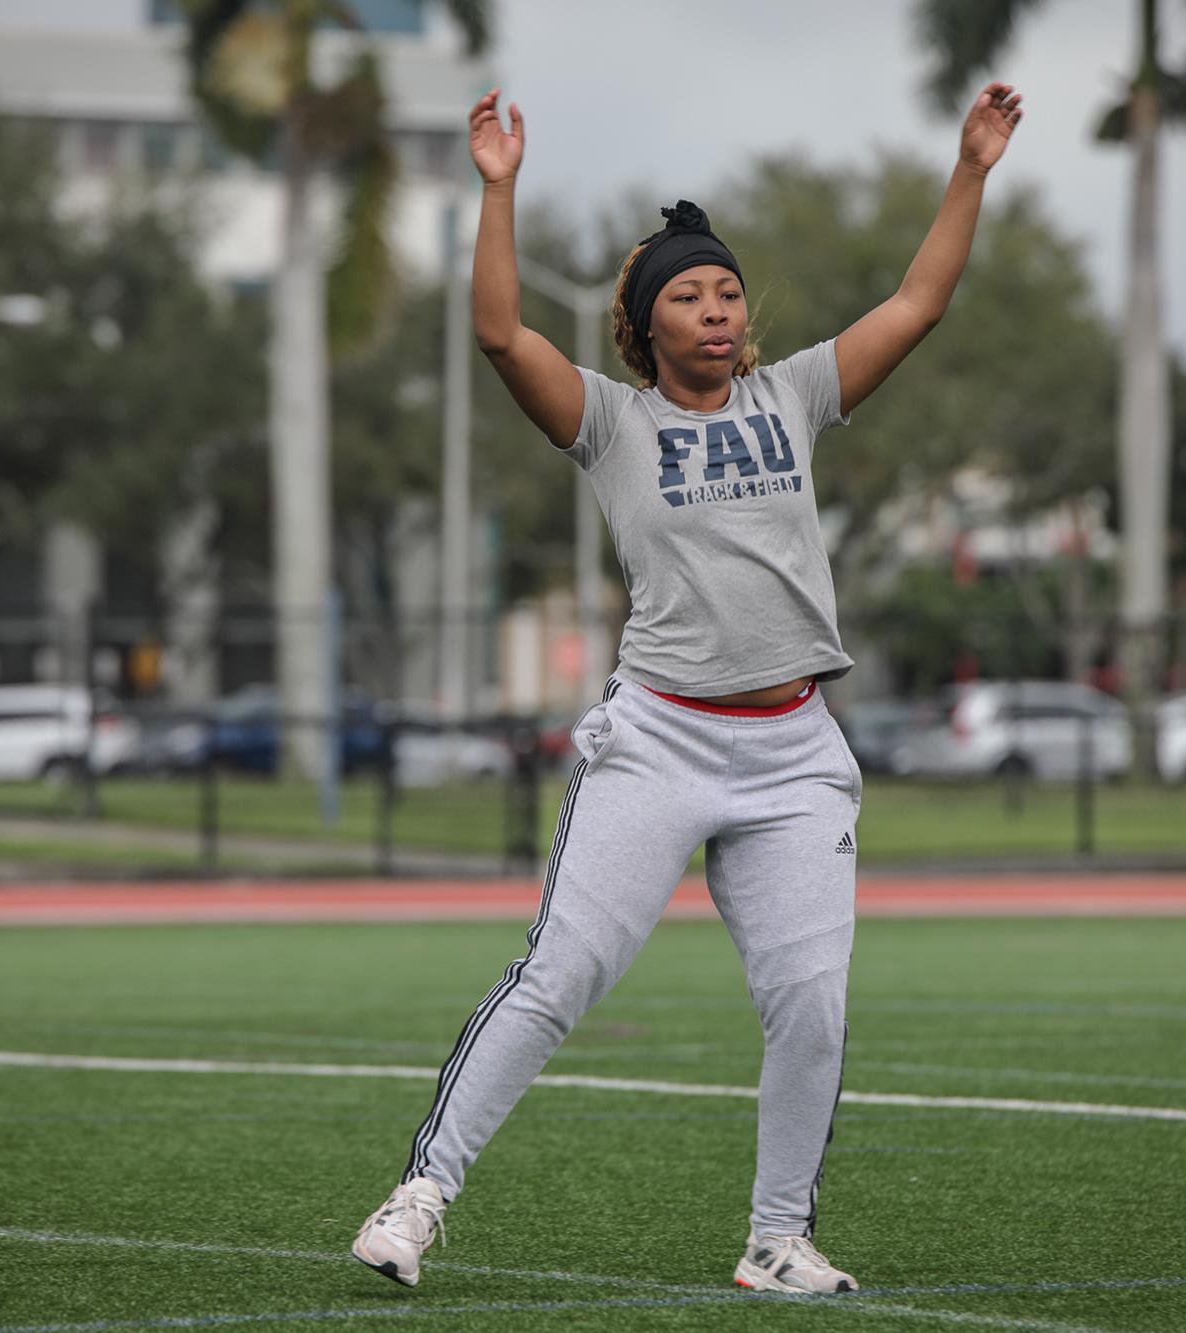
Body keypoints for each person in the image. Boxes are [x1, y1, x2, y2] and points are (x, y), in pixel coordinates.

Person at [354, 78, 1024, 1295]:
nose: (714, 310)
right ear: (644, 326)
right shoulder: (610, 425)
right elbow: (502, 335)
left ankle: (775, 1240)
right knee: (557, 975)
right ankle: (420, 1194)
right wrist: (497, 192)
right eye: (686, 295)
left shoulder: (795, 393)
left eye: (724, 291)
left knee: (810, 1007)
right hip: (658, 742)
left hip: (793, 752)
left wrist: (970, 166)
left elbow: (919, 301)